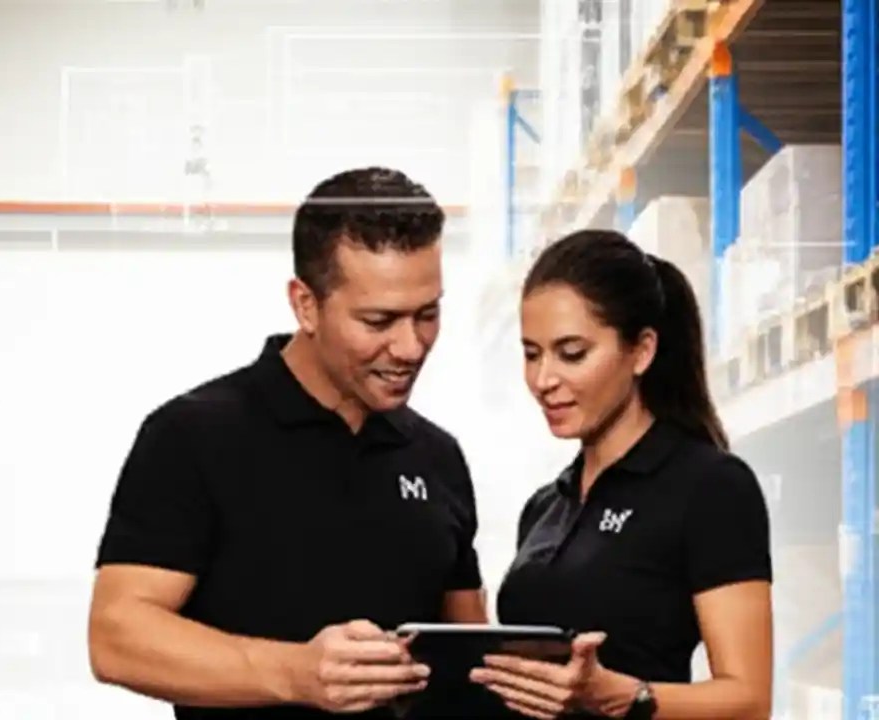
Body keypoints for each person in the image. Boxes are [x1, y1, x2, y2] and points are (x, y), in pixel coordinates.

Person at [87, 167, 505, 718]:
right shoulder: (192, 436)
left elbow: (466, 654)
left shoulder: (437, 457)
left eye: (427, 314)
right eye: (378, 320)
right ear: (305, 304)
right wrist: (295, 673)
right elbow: (116, 638)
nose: (410, 346)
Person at [469, 229, 774, 719]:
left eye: (572, 353)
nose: (544, 379)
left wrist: (622, 696)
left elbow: (749, 701)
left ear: (642, 351)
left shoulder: (710, 486)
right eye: (531, 353)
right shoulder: (546, 505)